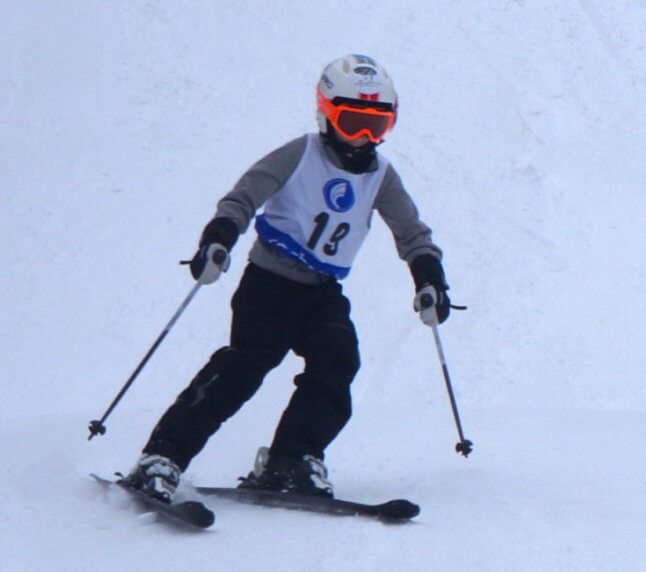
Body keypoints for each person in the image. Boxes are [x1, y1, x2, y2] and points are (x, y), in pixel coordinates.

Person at [120, 55, 454, 503]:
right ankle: (162, 457)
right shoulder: (301, 154)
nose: (362, 138)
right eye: (352, 121)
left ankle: (292, 458)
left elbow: (412, 232)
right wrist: (219, 238)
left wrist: (428, 277)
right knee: (242, 369)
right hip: (269, 286)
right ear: (326, 114)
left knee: (338, 361)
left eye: (376, 126)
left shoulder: (381, 177)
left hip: (322, 293)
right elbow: (244, 195)